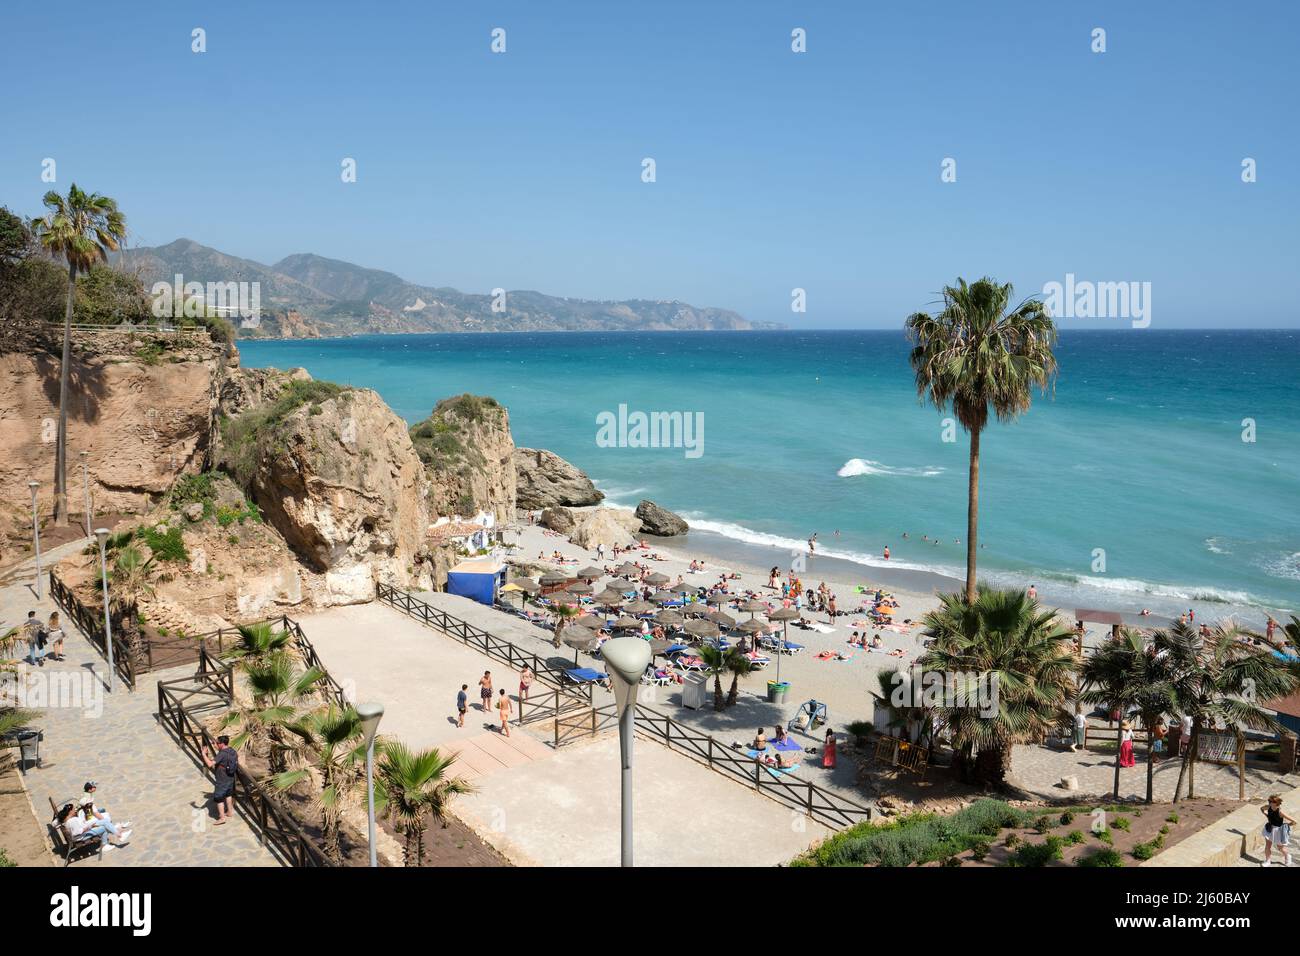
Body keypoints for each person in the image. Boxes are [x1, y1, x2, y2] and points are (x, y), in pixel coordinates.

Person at [57, 802, 131, 851]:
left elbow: (55, 823)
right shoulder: (72, 821)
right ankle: (116, 838)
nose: (75, 810)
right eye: (73, 810)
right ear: (70, 812)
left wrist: (87, 824)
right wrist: (89, 827)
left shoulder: (66, 820)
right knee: (105, 827)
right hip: (83, 836)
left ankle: (118, 834)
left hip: (85, 829)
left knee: (105, 822)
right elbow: (77, 833)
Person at [201, 735, 239, 825]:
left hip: (222, 780)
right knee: (228, 795)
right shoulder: (232, 750)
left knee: (219, 798)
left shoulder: (222, 754)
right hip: (231, 777)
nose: (214, 745)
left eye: (216, 743)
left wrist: (203, 754)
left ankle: (222, 818)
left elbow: (210, 764)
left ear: (221, 744)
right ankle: (230, 812)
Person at [1260, 794, 1294, 867]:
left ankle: (1288, 856)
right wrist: (1267, 816)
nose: (1269, 803)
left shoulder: (1280, 812)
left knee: (1280, 848)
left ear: (1276, 803)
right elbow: (1261, 808)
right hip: (1269, 828)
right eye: (1269, 801)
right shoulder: (1268, 807)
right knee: (1267, 846)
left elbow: (1294, 821)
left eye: (1271, 801)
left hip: (1278, 831)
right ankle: (1267, 861)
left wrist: (1286, 826)